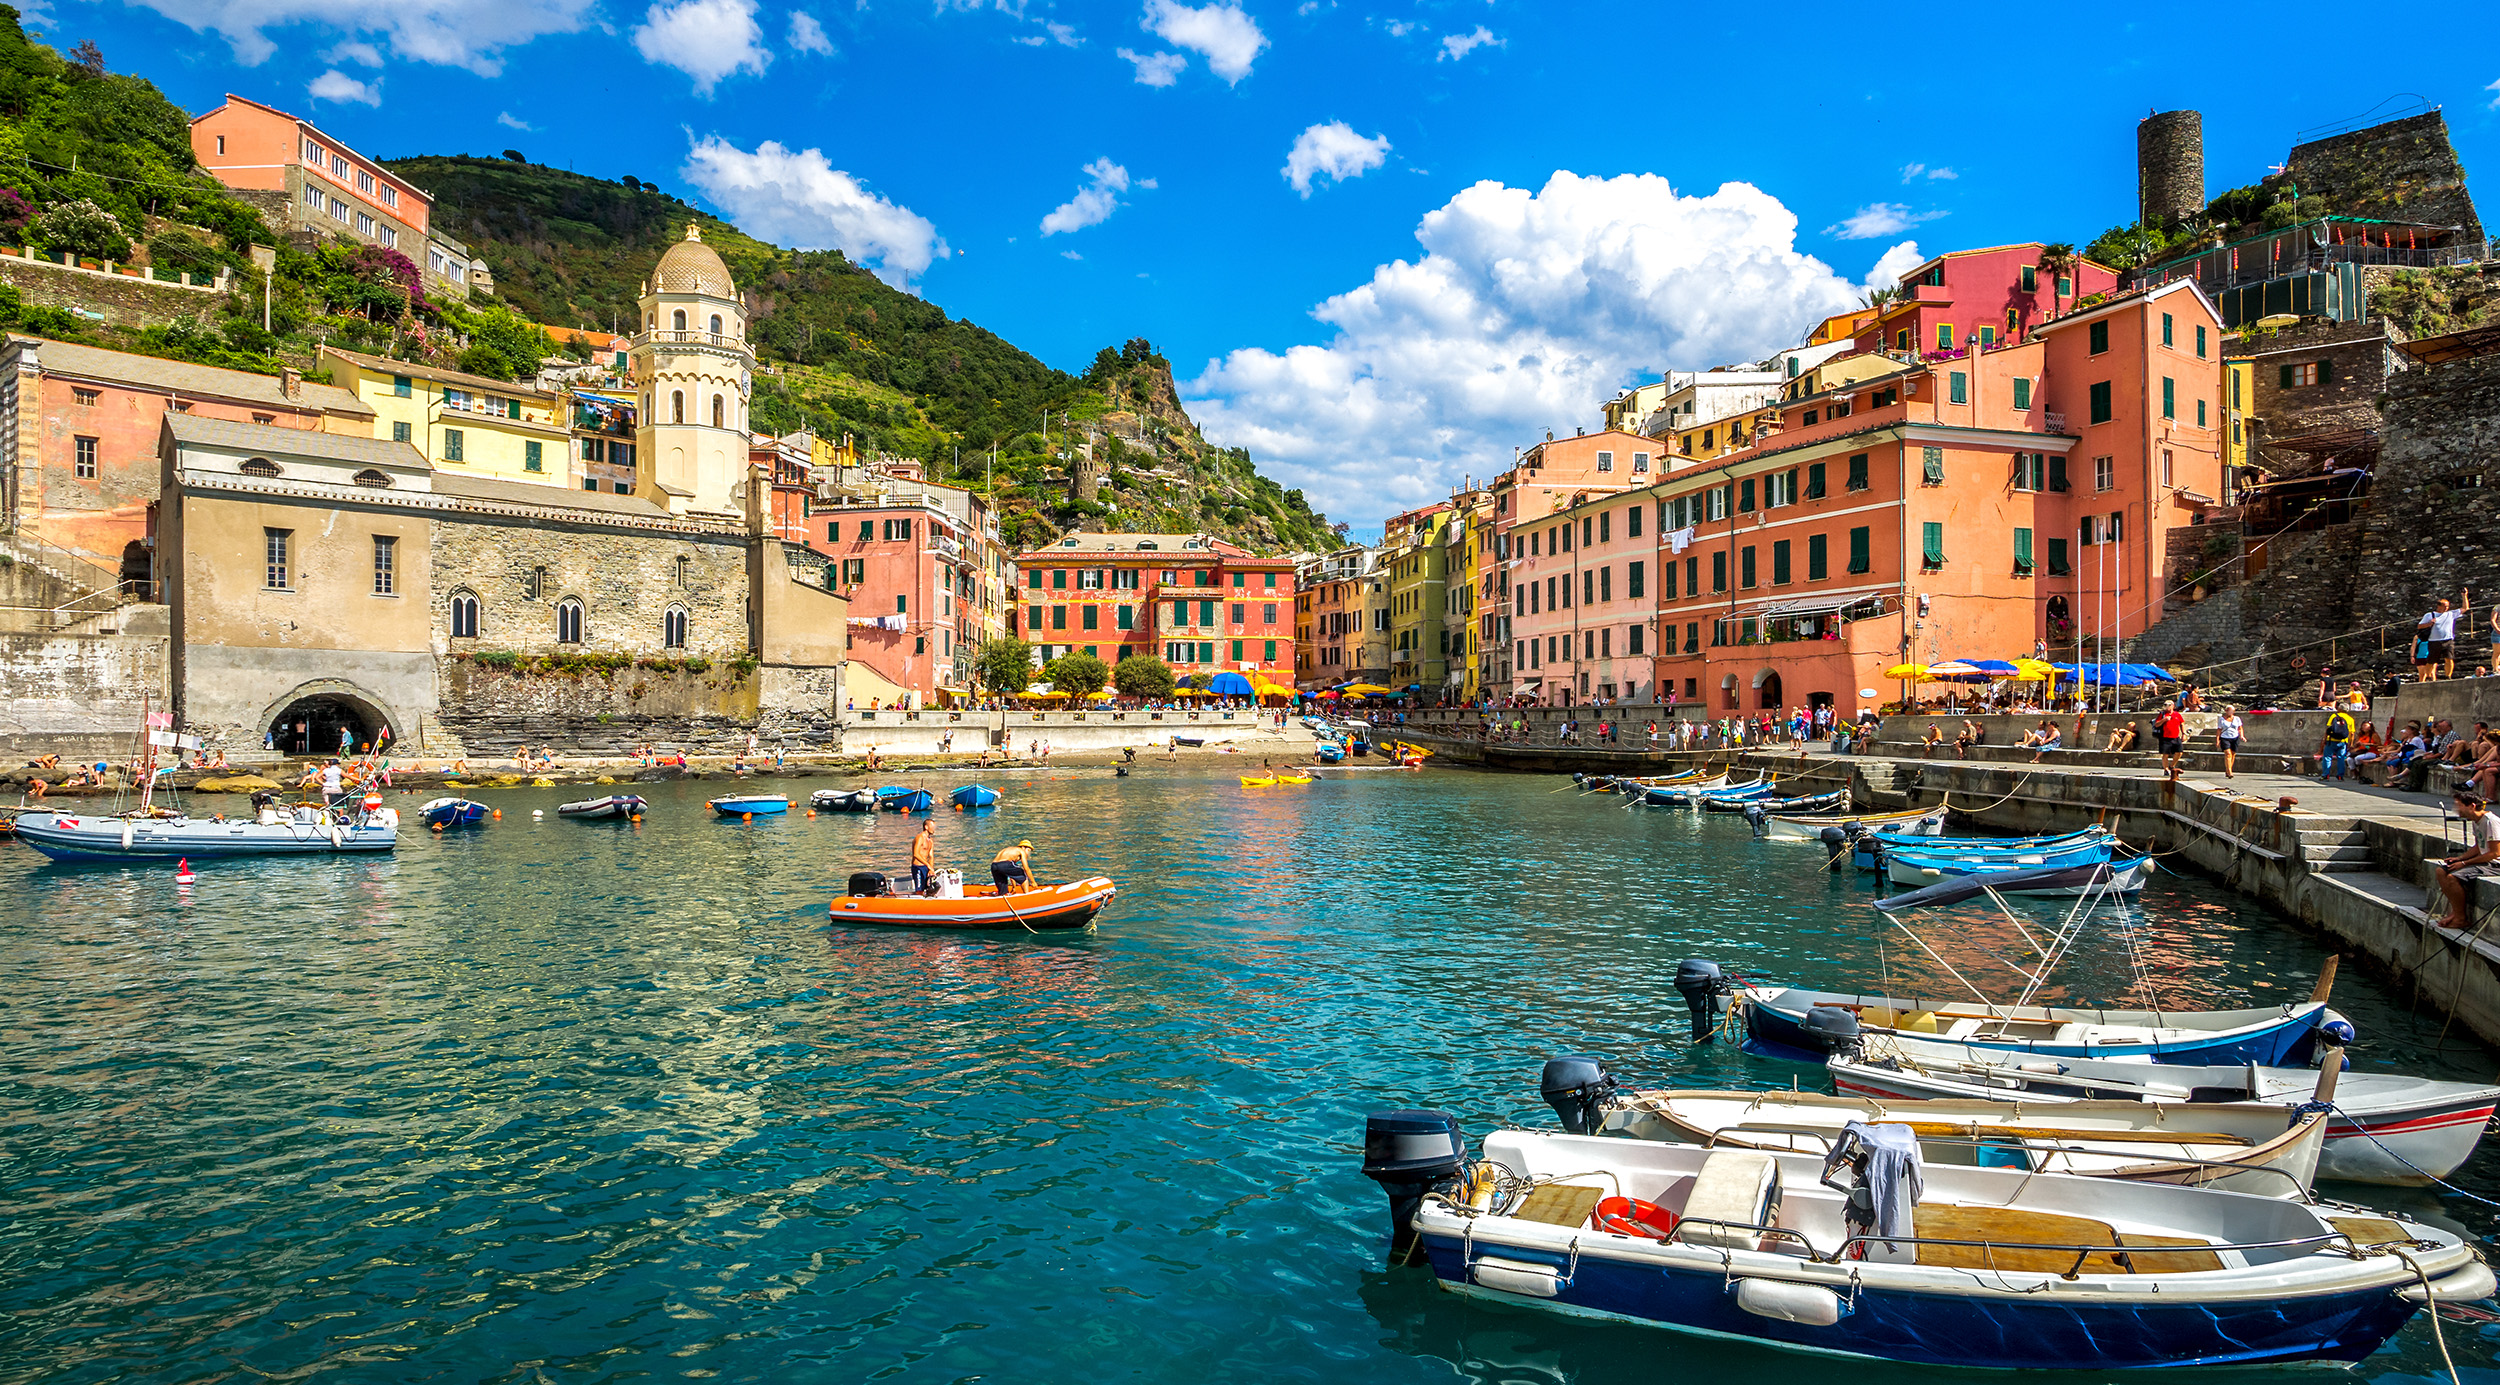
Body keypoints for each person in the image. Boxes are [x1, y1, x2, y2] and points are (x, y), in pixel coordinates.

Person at [2434, 789, 2500, 931]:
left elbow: (2494, 853)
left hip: (2495, 864)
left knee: (2453, 877)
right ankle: (2455, 912)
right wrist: (2459, 858)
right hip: (2484, 860)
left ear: (2472, 806)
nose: (2456, 810)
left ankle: (2461, 918)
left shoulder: (2491, 822)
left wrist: (2464, 863)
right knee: (2441, 871)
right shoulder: (2476, 821)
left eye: (2459, 806)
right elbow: (2479, 846)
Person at [2420, 597, 2464, 682]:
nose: (2446, 608)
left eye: (2447, 606)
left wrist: (2464, 595)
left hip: (2448, 640)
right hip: (2434, 641)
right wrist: (2430, 623)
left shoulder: (2450, 614)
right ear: (2439, 606)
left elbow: (2465, 608)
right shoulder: (2429, 615)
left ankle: (2448, 676)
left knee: (2449, 659)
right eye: (2445, 606)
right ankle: (2428, 677)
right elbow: (2420, 626)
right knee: (2431, 661)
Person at [2319, 705, 2357, 781]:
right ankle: (2340, 776)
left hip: (2331, 740)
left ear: (2339, 709)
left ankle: (2325, 775)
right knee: (2341, 758)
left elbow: (2328, 729)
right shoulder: (2350, 719)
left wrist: (2324, 740)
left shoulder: (2334, 716)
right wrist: (2351, 743)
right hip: (2343, 741)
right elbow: (2352, 733)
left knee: (2327, 757)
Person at [2155, 701, 2186, 780]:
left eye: (2168, 705)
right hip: (2165, 737)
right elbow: (2156, 724)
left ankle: (2172, 766)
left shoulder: (2177, 714)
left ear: (2172, 706)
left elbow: (2182, 723)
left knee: (2179, 752)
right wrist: (2164, 720)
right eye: (2165, 705)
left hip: (2175, 737)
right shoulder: (2162, 715)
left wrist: (2184, 733)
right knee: (2165, 754)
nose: (2167, 707)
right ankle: (2166, 769)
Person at [909, 820, 937, 896]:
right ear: (926, 827)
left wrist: (931, 869)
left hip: (925, 867)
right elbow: (916, 854)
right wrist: (928, 865)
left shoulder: (930, 841)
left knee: (928, 888)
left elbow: (931, 856)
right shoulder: (920, 838)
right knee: (919, 890)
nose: (934, 829)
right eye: (932, 827)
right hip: (918, 867)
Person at [2216, 707, 2244, 779]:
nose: (2231, 713)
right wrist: (2217, 740)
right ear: (2226, 711)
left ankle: (2228, 770)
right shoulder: (2222, 719)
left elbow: (2240, 728)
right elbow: (2219, 730)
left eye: (2233, 711)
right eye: (2230, 711)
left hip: (2235, 737)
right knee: (2228, 754)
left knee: (2233, 754)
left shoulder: (2237, 719)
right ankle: (2229, 771)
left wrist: (2242, 736)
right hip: (2225, 737)